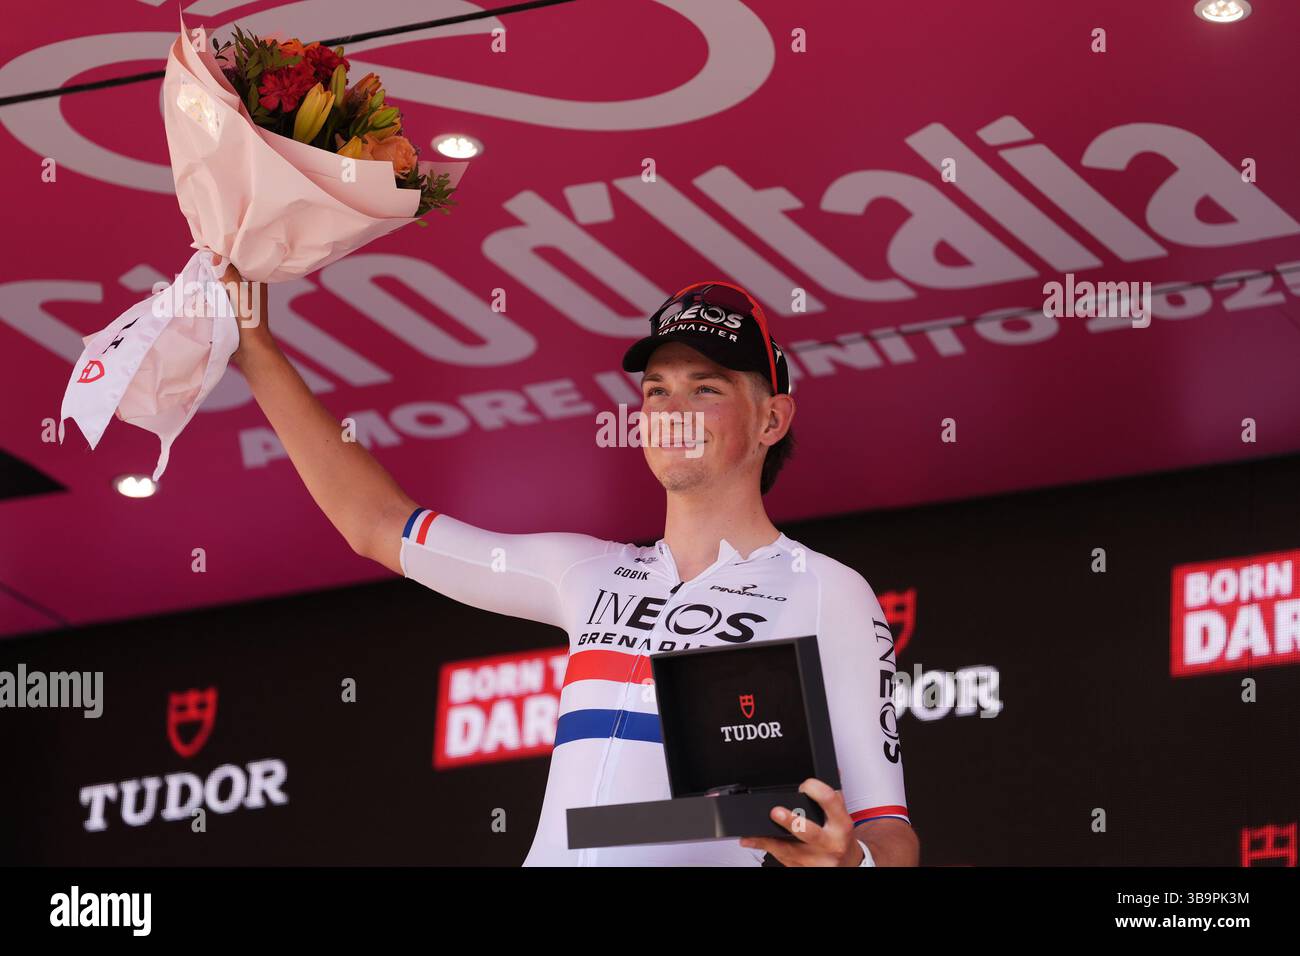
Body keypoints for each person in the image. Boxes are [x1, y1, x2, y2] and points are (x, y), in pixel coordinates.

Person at [221, 266, 919, 867]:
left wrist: (845, 859)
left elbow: (888, 829)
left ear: (771, 420)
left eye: (705, 389)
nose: (672, 410)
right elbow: (377, 526)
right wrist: (255, 350)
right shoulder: (585, 573)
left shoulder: (825, 590)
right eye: (656, 391)